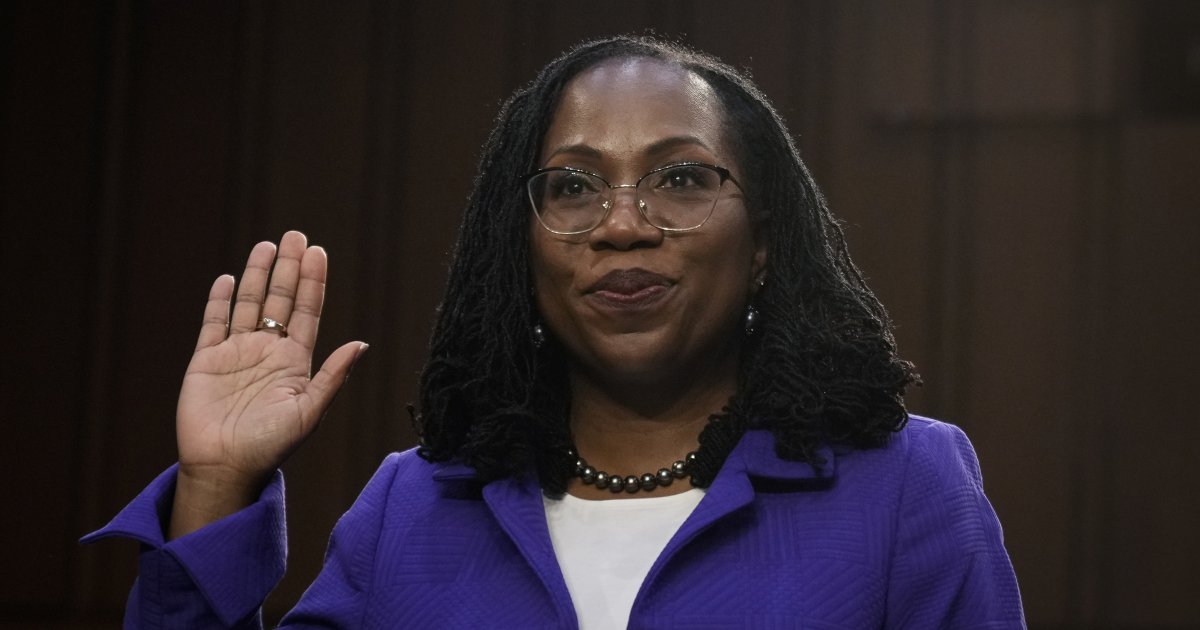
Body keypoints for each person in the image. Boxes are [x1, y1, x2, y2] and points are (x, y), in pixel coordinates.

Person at [84, 35, 1025, 628]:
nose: (622, 221)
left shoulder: (906, 489)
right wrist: (216, 487)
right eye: (573, 185)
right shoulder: (410, 509)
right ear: (522, 252)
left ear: (767, 245)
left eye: (681, 178)